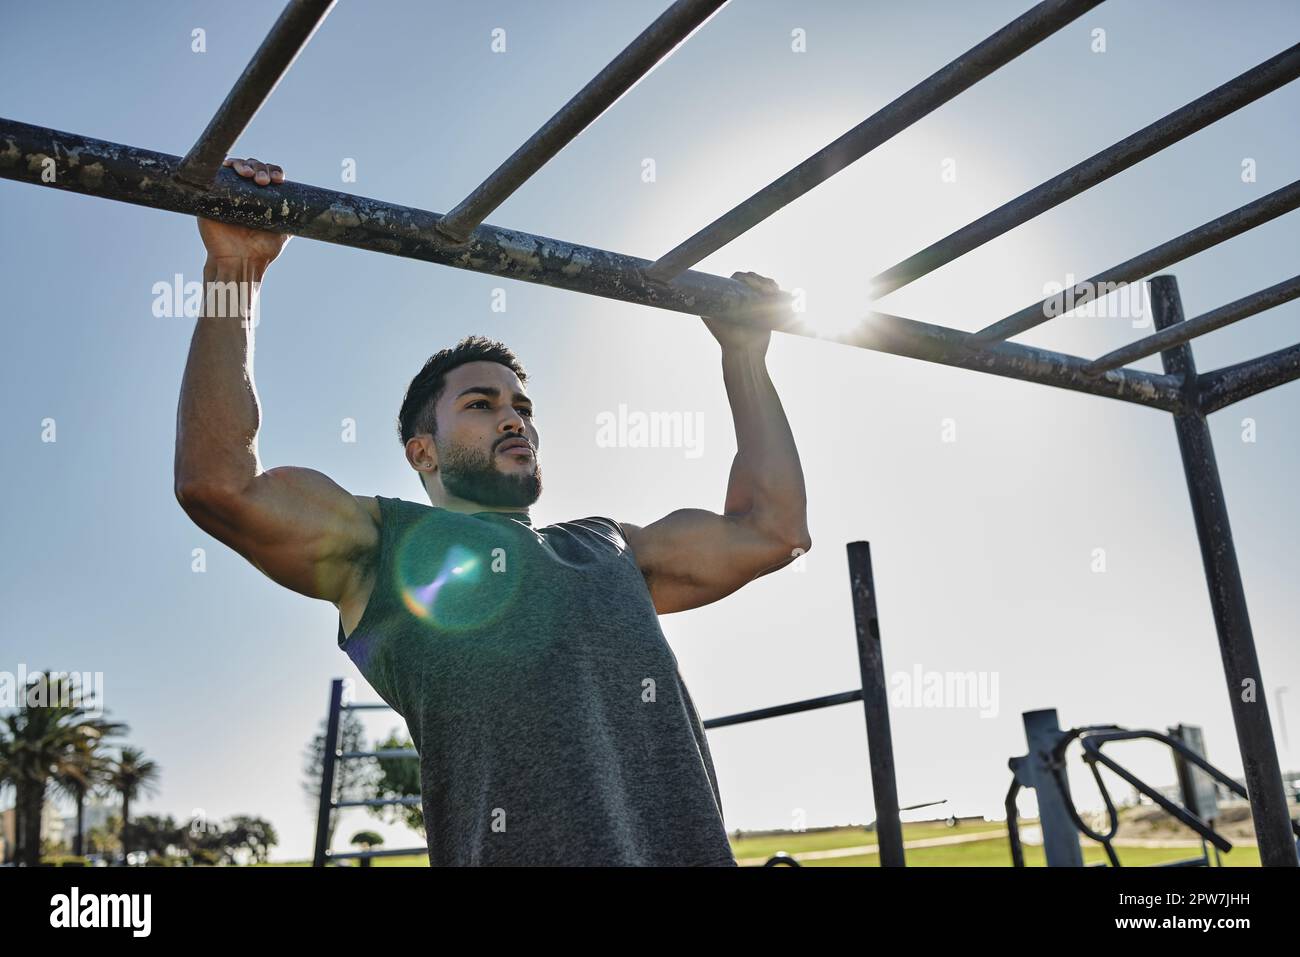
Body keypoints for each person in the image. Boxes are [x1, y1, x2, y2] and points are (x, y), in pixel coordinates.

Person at [175, 156, 812, 866]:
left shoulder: (611, 546)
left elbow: (774, 528)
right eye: (481, 405)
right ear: (423, 452)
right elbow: (220, 483)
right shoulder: (384, 546)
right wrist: (235, 271)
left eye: (522, 407)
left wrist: (746, 359)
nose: (515, 420)